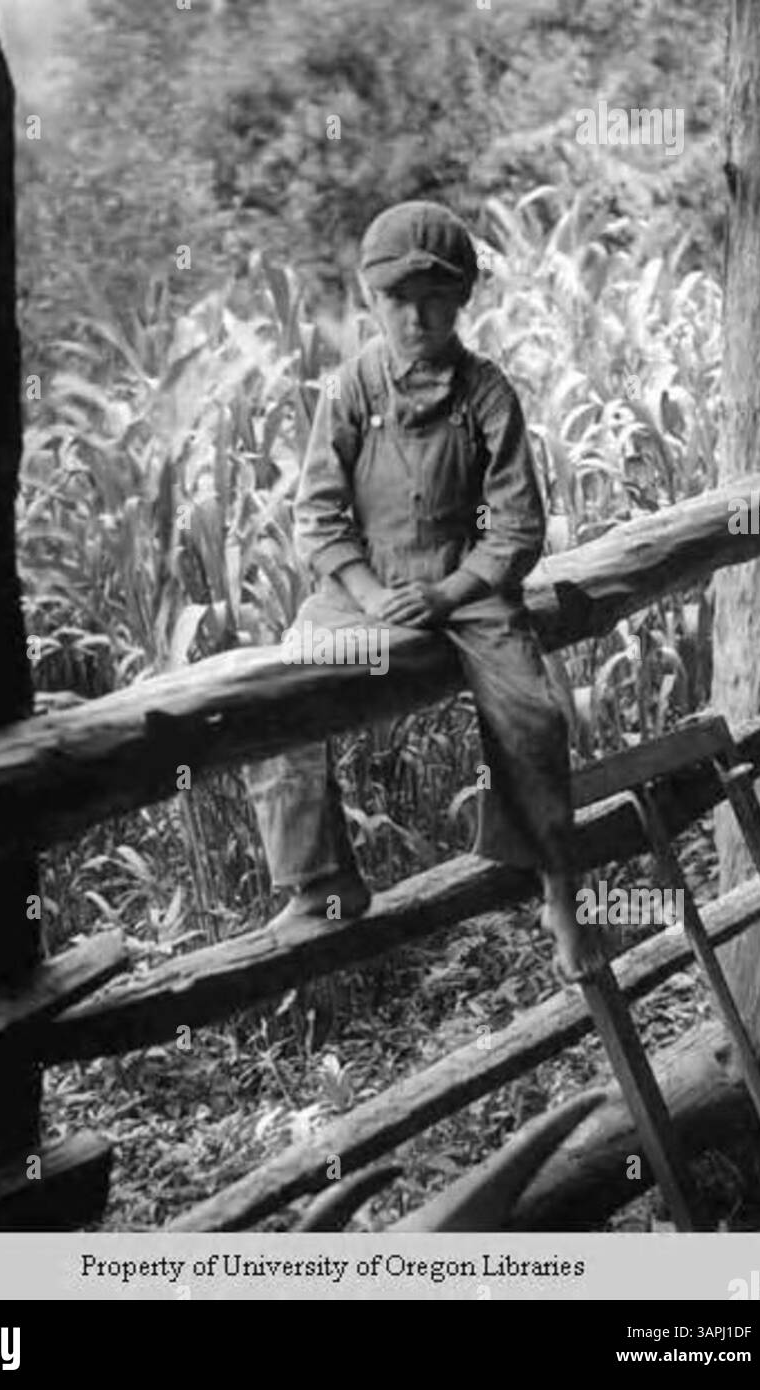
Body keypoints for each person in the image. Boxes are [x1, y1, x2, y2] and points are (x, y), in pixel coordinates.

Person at [244, 200, 603, 981]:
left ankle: (559, 892)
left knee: (535, 718)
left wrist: (446, 595)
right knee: (276, 696)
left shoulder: (487, 395)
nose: (417, 316)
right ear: (372, 302)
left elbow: (514, 528)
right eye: (398, 300)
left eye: (436, 298)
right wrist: (370, 594)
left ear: (464, 299)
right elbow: (319, 515)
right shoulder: (348, 391)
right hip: (363, 588)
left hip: (468, 590)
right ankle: (320, 884)